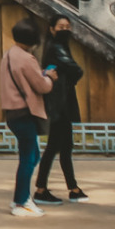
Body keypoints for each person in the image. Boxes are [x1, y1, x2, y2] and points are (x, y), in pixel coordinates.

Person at [0, 18, 55, 218]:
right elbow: (42, 86)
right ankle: (20, 201)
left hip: (12, 112)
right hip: (25, 111)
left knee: (32, 155)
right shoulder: (26, 58)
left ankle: (22, 197)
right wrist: (49, 77)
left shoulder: (8, 55)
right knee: (27, 158)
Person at [33, 16, 88, 205]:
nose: (65, 29)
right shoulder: (57, 48)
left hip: (61, 104)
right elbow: (76, 69)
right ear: (52, 29)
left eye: (68, 26)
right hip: (59, 105)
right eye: (61, 26)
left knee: (65, 147)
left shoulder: (57, 47)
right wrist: (71, 77)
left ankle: (73, 188)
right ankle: (41, 189)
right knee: (55, 147)